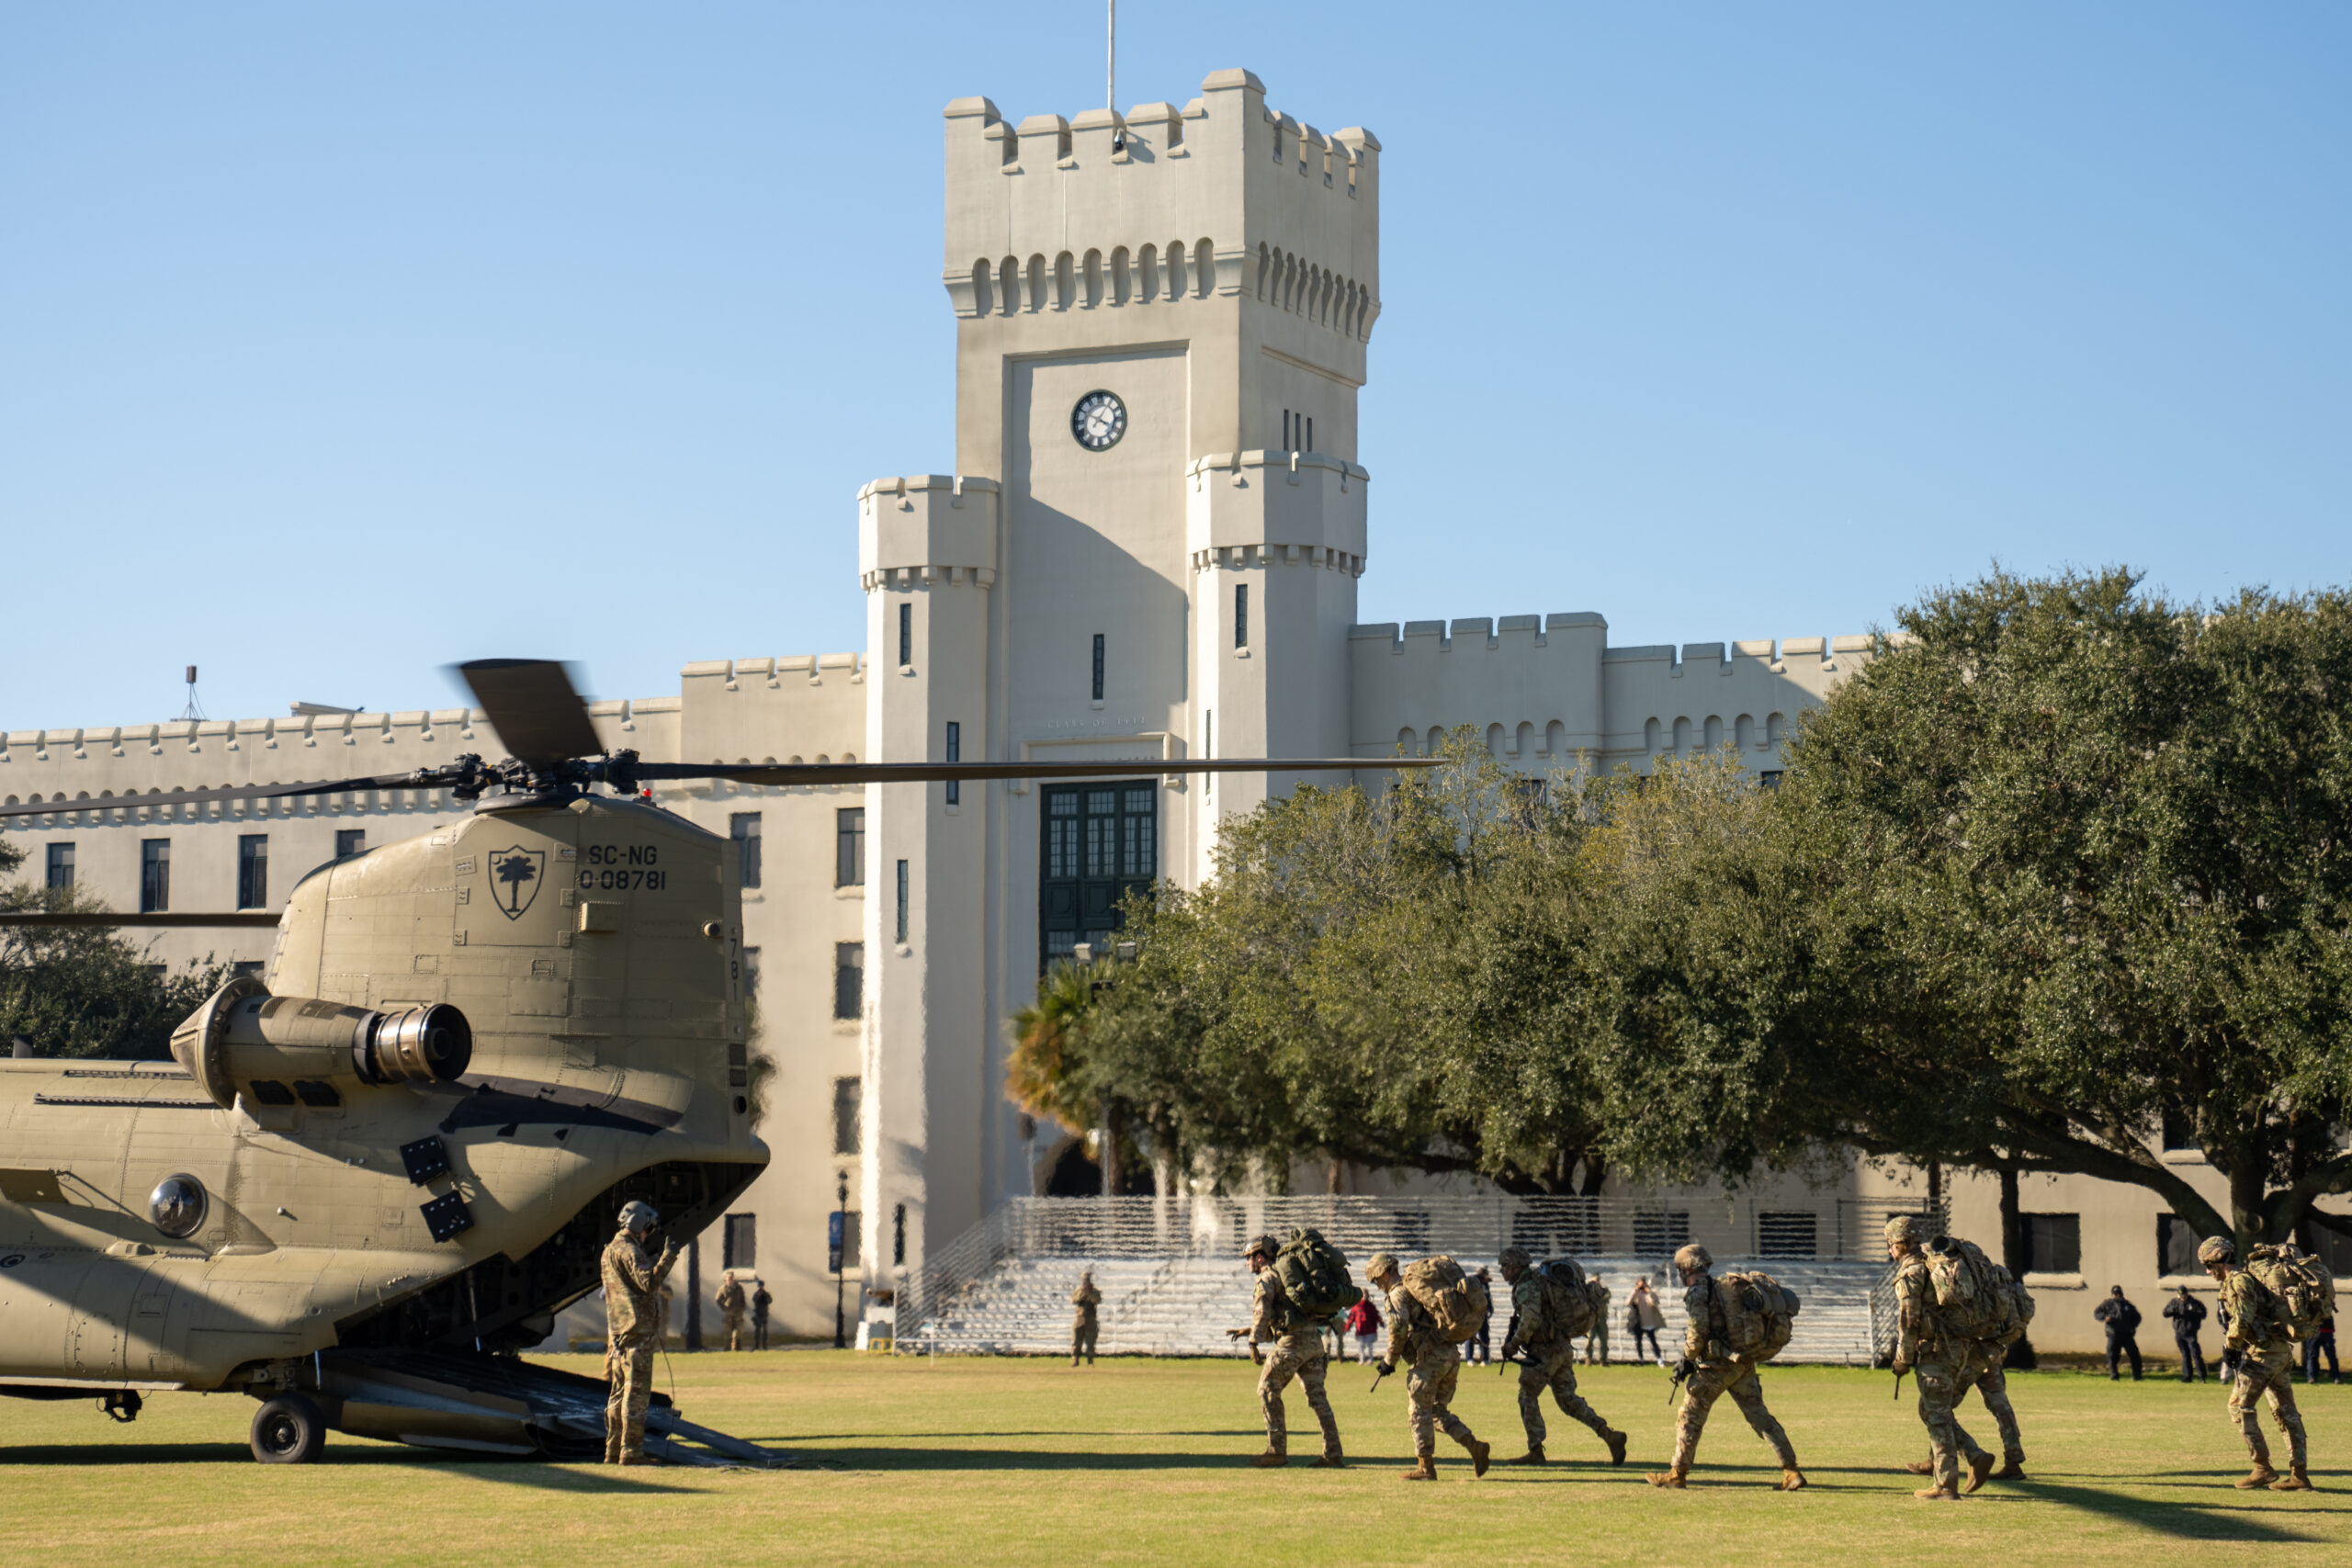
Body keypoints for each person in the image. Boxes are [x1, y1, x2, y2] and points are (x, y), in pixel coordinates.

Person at [1645, 1243, 1804, 1491]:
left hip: (1714, 1368)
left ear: (1686, 1269)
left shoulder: (1698, 1292)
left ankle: (1677, 1474)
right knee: (1761, 1418)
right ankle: (1791, 1471)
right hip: (1741, 1364)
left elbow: (1697, 1331)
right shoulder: (1724, 1288)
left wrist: (1686, 1359)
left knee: (1689, 1418)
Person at [1885, 1217, 1991, 1499]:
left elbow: (1908, 1320)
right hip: (1957, 1348)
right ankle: (1974, 1454)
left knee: (1936, 1415)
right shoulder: (1933, 1265)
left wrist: (1902, 1359)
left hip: (1934, 1351)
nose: (1890, 1250)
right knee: (1932, 1410)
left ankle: (1945, 1485)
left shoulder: (1912, 1272)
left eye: (1891, 1244)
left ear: (1902, 1243)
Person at [1495, 1246, 1627, 1467]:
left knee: (1527, 1396)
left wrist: (1514, 1344)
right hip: (1562, 1347)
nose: (1502, 1271)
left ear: (1515, 1267)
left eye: (1504, 1267)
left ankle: (1535, 1450)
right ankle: (1609, 1435)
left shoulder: (1526, 1287)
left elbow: (1531, 1319)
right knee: (1567, 1400)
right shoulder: (1539, 1282)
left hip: (1545, 1350)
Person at [1367, 1251, 1489, 1481]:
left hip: (1428, 1359)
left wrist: (1388, 1361)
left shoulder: (1398, 1294)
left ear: (1383, 1273)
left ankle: (1426, 1468)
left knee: (1418, 1412)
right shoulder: (1418, 1288)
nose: (1377, 1286)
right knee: (1436, 1412)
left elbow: (1398, 1329)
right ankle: (1475, 1447)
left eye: (1376, 1281)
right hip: (1450, 1354)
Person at [2203, 1234, 2311, 1490]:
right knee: (2286, 1412)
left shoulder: (2238, 1281)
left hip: (2262, 1355)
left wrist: (2230, 1347)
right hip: (2278, 1352)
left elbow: (2242, 1319)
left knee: (2239, 1407)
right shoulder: (2245, 1278)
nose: (2208, 1272)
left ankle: (2262, 1467)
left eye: (2208, 1265)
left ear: (2220, 1260)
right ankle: (2299, 1475)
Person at [1229, 1235, 1343, 1468]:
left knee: (1267, 1390)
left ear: (1259, 1257)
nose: (1247, 1263)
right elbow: (1286, 1313)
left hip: (1292, 1343)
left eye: (1249, 1258)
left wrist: (1253, 1341)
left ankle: (1276, 1451)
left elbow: (1262, 1311)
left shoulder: (1267, 1277)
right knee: (1318, 1398)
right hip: (1313, 1340)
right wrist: (1250, 1330)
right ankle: (1333, 1453)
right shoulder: (1289, 1275)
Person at [601, 1200, 681, 1465]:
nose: (648, 1234)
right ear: (640, 1225)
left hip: (618, 1333)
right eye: (648, 1228)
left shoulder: (610, 1251)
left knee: (617, 1395)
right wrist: (668, 1257)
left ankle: (612, 1451)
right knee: (636, 1394)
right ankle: (631, 1452)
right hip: (637, 1332)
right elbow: (648, 1283)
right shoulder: (631, 1252)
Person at [2093, 1285, 2144, 1380]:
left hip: (2127, 1334)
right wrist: (2105, 1318)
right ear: (2112, 1294)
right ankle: (2114, 1374)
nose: (2117, 1295)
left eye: (2118, 1293)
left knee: (2134, 1355)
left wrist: (2132, 1326)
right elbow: (2097, 1313)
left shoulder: (2127, 1305)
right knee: (2112, 1355)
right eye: (2115, 1294)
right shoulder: (2107, 1303)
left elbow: (2137, 1317)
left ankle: (2137, 1376)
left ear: (2121, 1294)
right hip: (2113, 1334)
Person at [2165, 1286, 2210, 1383]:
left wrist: (2191, 1312)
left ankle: (2202, 1376)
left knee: (2196, 1354)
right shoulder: (2174, 1302)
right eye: (2180, 1295)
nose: (2182, 1297)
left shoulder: (2194, 1303)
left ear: (2187, 1294)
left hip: (2191, 1333)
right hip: (2179, 1332)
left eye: (2184, 1295)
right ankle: (2187, 1377)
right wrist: (2173, 1310)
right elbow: (2165, 1313)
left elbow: (2203, 1314)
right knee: (2185, 1355)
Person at [1628, 1279, 1666, 1364]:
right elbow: (1628, 1302)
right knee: (1639, 1342)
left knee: (1653, 1341)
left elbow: (1654, 1302)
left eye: (1643, 1286)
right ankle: (1641, 1359)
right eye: (1640, 1286)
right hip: (1638, 1322)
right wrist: (1635, 1290)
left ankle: (1659, 1359)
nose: (1642, 1288)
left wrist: (1649, 1292)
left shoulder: (1648, 1295)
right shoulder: (1636, 1295)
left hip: (1648, 1322)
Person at [1070, 1269, 1102, 1367]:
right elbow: (1074, 1300)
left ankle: (1090, 1361)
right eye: (1084, 1280)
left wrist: (1090, 1293)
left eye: (1087, 1280)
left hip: (1091, 1318)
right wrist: (1082, 1293)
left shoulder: (1095, 1291)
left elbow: (1097, 1300)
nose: (1086, 1282)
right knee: (1076, 1340)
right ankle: (1075, 1359)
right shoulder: (1078, 1290)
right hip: (1079, 1318)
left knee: (1091, 1341)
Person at [715, 1272, 749, 1352]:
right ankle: (727, 1348)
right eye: (729, 1279)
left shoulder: (739, 1288)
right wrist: (723, 1307)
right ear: (726, 1280)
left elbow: (742, 1298)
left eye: (732, 1278)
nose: (730, 1280)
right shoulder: (722, 1289)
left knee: (738, 1331)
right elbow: (718, 1299)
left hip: (738, 1312)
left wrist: (743, 1307)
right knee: (727, 1332)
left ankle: (737, 1348)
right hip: (728, 1312)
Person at [1347, 1292, 1383, 1363]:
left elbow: (1376, 1315)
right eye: (1363, 1295)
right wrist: (1347, 1326)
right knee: (1361, 1346)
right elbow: (1352, 1317)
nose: (1364, 1297)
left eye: (1365, 1295)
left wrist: (1381, 1322)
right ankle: (1362, 1359)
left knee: (1369, 1346)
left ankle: (1370, 1359)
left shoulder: (1370, 1306)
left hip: (1370, 1329)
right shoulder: (1356, 1307)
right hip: (1361, 1330)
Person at [2302, 1315, 2339, 1385]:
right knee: (2313, 1357)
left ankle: (2336, 1377)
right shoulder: (2311, 1305)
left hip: (2323, 1331)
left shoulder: (2325, 1305)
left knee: (2330, 1357)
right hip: (2315, 1332)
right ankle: (2312, 1377)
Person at [1468, 1267, 1493, 1364]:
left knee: (1485, 1337)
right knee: (1471, 1337)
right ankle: (1470, 1358)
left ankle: (1485, 1359)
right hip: (1473, 1315)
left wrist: (1490, 1309)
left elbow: (1488, 1297)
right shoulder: (1473, 1284)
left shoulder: (1485, 1285)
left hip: (1483, 1315)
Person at [1585, 1275, 1611, 1366]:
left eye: (1597, 1281)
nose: (1595, 1283)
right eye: (1594, 1281)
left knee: (1604, 1340)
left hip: (1602, 1319)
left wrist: (1597, 1293)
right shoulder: (1587, 1291)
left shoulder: (1604, 1291)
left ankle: (1603, 1360)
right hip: (1591, 1319)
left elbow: (1606, 1298)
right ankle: (1588, 1358)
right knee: (1589, 1340)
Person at [750, 1279, 773, 1351]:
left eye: (761, 1286)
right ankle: (756, 1345)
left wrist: (765, 1295)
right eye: (759, 1286)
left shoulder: (766, 1294)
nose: (760, 1287)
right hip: (758, 1314)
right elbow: (754, 1300)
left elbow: (770, 1301)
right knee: (757, 1331)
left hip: (764, 1314)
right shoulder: (756, 1294)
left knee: (765, 1331)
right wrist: (758, 1296)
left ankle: (765, 1346)